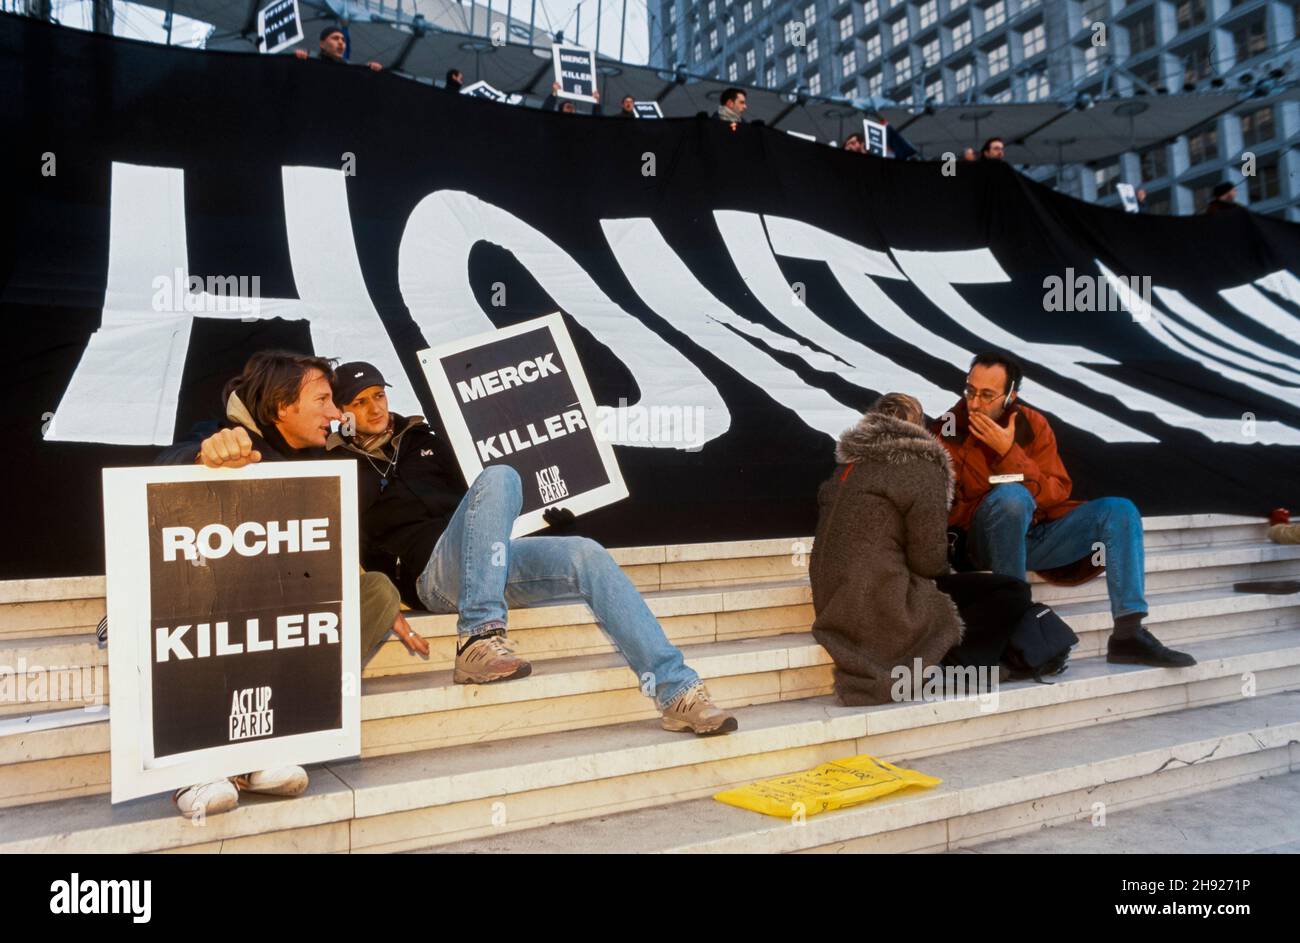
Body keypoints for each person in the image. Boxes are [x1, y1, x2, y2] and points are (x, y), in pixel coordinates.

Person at [326, 362, 739, 735]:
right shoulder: (335, 465)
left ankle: (678, 693)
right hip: (428, 576)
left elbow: (480, 505)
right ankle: (477, 638)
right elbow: (334, 540)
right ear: (340, 411)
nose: (376, 408)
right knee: (501, 476)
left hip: (484, 565)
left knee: (585, 552)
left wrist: (540, 519)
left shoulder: (424, 440)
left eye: (379, 395)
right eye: (360, 402)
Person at [158, 352, 426, 817]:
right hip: (206, 615)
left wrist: (383, 610)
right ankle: (192, 765)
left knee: (377, 590)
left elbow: (332, 549)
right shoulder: (224, 433)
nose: (336, 412)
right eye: (323, 399)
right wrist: (203, 455)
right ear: (283, 406)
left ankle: (269, 741)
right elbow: (164, 467)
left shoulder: (323, 458)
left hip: (273, 616)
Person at [930, 351, 1196, 668]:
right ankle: (1012, 626)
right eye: (970, 391)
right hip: (981, 542)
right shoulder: (949, 428)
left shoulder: (1033, 424)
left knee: (1120, 510)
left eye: (986, 395)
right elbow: (941, 506)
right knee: (1012, 498)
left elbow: (1057, 490)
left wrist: (1008, 452)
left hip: (1036, 535)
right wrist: (1002, 496)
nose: (974, 403)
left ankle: (1128, 633)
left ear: (1010, 395)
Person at [809, 394, 964, 704]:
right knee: (962, 604)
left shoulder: (848, 466)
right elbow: (928, 560)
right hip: (874, 596)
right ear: (919, 426)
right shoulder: (921, 465)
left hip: (830, 594)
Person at [293, 26, 383, 71]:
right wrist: (297, 62)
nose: (341, 42)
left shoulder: (349, 72)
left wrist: (371, 71)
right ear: (322, 44)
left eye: (343, 40)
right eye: (335, 38)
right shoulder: (310, 66)